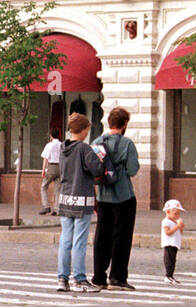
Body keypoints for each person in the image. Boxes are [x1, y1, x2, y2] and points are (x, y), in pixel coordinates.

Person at [91, 107, 141, 290]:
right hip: (124, 196)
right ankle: (117, 277)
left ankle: (98, 277)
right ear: (125, 124)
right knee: (122, 237)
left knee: (102, 237)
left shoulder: (97, 141)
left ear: (109, 122)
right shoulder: (127, 144)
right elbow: (132, 170)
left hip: (103, 196)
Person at [55, 113, 105, 293]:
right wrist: (100, 159)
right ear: (84, 130)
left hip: (65, 198)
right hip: (82, 199)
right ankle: (80, 278)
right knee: (79, 241)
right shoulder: (84, 149)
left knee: (65, 240)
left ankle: (62, 278)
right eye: (87, 130)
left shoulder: (62, 147)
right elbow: (97, 168)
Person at [39, 126, 62, 215]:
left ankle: (46, 206)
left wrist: (43, 170)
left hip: (51, 166)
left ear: (51, 135)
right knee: (58, 189)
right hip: (60, 167)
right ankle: (57, 209)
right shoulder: (61, 145)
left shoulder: (49, 145)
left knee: (43, 186)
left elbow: (45, 158)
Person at [161, 199, 185, 284]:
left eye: (178, 213)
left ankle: (171, 275)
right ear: (168, 212)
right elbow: (168, 232)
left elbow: (180, 232)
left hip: (175, 243)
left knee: (173, 260)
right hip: (169, 243)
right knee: (169, 260)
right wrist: (177, 226)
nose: (177, 215)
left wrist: (181, 227)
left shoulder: (175, 221)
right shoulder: (166, 221)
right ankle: (168, 276)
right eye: (175, 213)